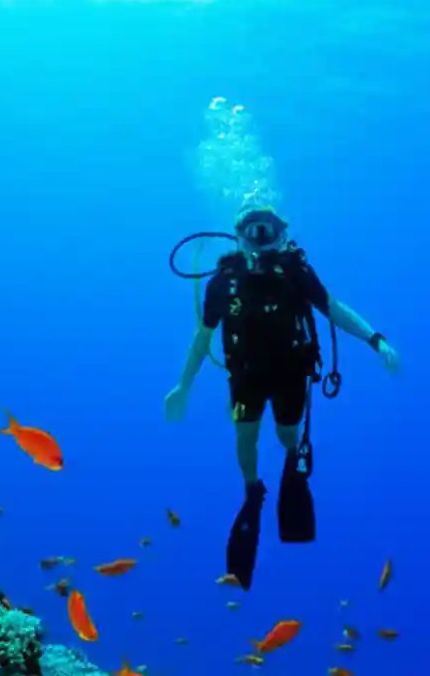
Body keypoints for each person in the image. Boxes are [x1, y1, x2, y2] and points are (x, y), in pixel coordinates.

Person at [164, 206, 401, 590]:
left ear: (281, 234)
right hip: (245, 378)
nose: (260, 237)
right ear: (239, 235)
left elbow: (333, 309)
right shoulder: (223, 281)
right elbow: (202, 337)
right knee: (245, 436)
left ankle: (293, 461)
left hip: (291, 373)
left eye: (267, 230)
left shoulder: (296, 272)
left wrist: (376, 339)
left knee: (288, 435)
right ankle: (252, 488)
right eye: (252, 230)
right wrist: (183, 385)